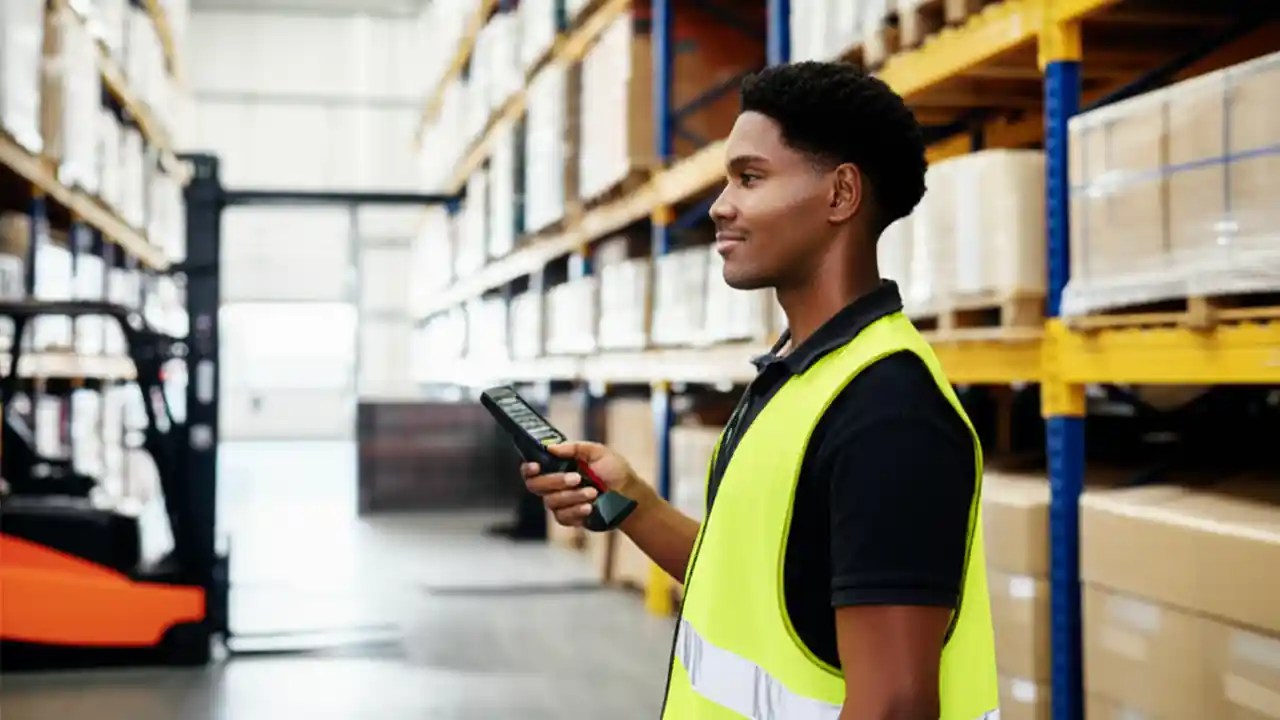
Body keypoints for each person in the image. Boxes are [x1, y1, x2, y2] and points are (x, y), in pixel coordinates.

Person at [521, 61, 998, 720]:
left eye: (750, 177)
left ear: (840, 195)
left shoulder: (888, 412)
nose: (720, 205)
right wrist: (632, 502)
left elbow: (893, 705)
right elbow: (751, 587)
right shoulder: (797, 375)